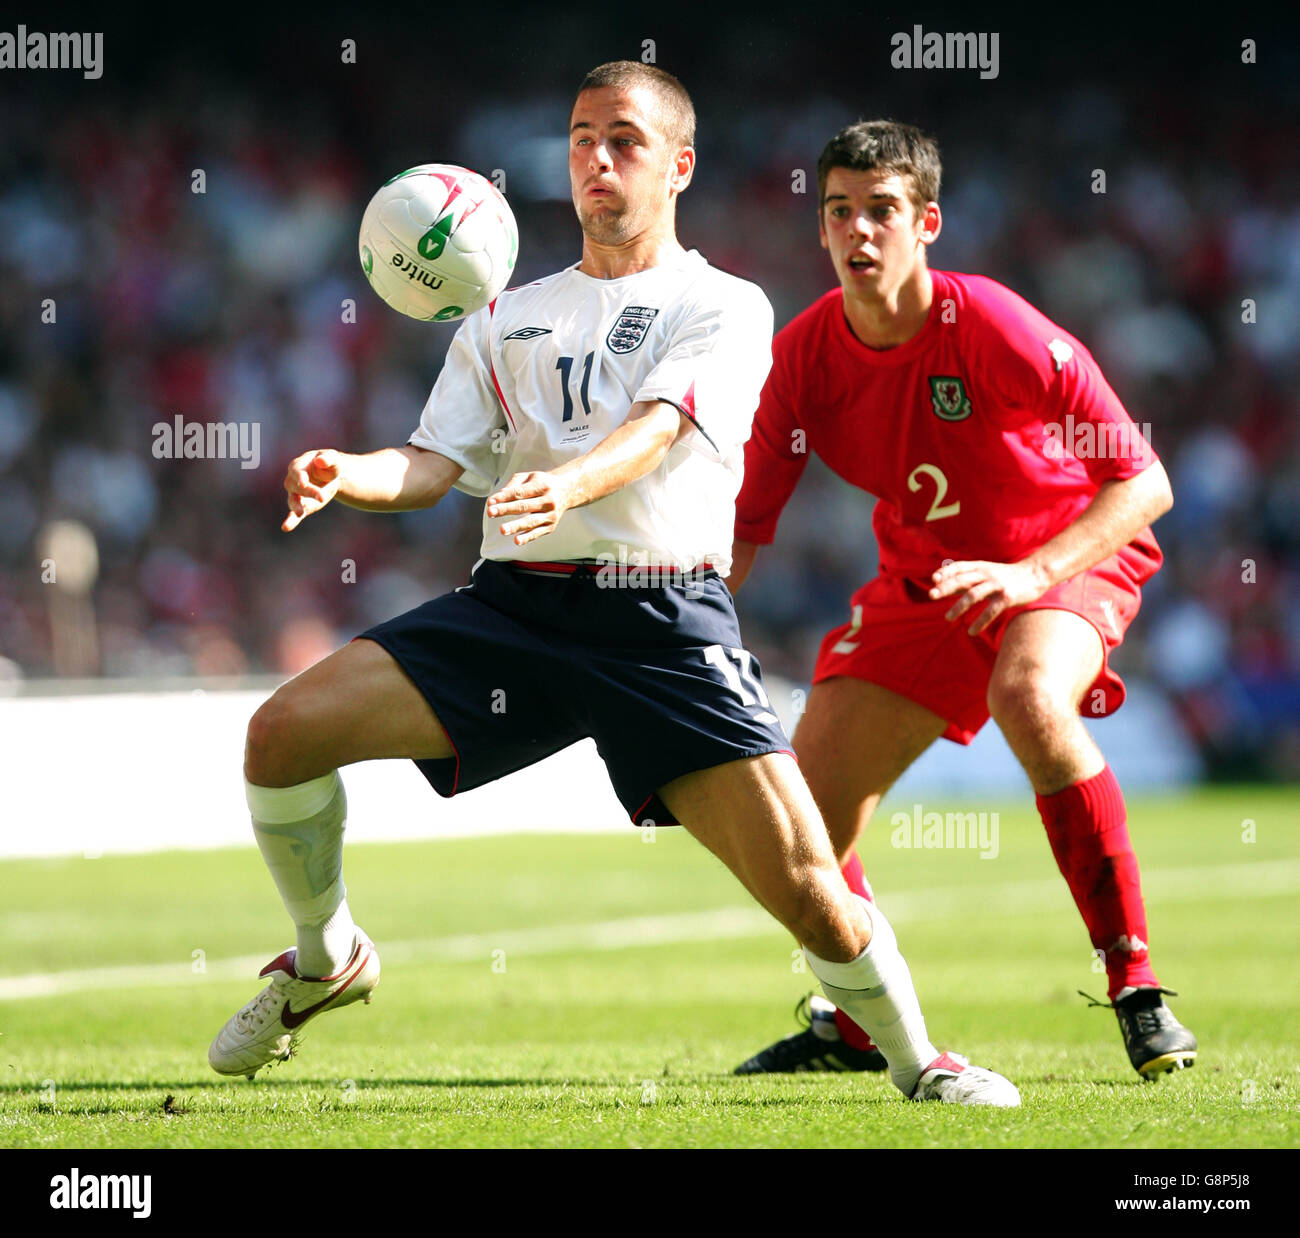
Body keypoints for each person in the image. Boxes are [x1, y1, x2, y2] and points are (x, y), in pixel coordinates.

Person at [207, 66, 1018, 1106]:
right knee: (279, 734)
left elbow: (660, 428)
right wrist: (346, 474)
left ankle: (921, 1062)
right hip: (515, 607)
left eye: (624, 140)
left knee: (812, 893)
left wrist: (568, 480)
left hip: (660, 621)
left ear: (679, 165)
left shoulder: (724, 302)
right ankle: (327, 957)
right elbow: (434, 461)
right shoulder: (507, 315)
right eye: (583, 138)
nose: (596, 158)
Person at [730, 120, 1197, 1081]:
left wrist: (1029, 577)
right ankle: (859, 1022)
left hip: (1061, 556)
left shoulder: (990, 323)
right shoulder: (804, 357)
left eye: (882, 211)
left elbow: (1142, 483)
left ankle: (1135, 986)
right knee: (797, 823)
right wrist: (672, 640)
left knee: (1027, 697)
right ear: (821, 228)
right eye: (839, 212)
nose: (859, 232)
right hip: (926, 584)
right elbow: (742, 534)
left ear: (927, 222)